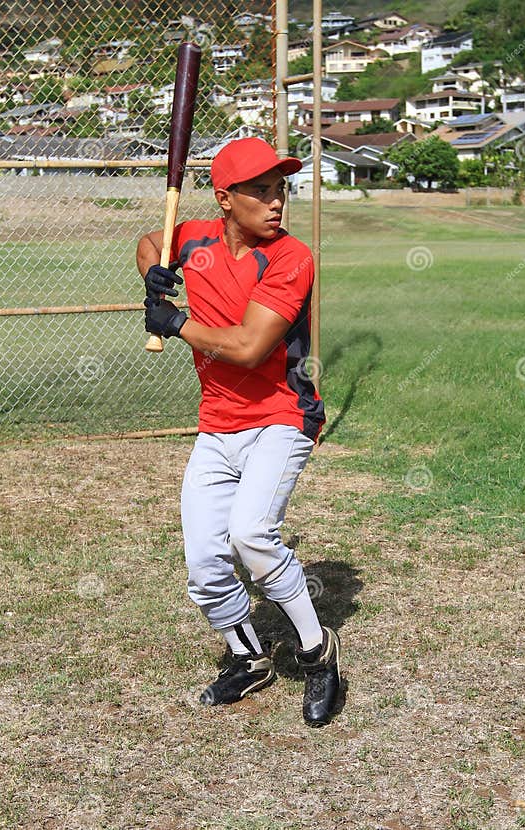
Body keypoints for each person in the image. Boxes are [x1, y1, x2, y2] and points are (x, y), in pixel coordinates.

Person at [136, 137, 341, 727]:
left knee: (251, 534)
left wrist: (174, 322)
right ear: (225, 199)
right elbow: (152, 241)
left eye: (281, 190)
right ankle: (249, 656)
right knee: (204, 561)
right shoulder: (196, 237)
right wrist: (154, 273)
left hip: (282, 414)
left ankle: (316, 650)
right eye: (260, 191)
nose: (276, 202)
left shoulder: (290, 257)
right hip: (218, 424)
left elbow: (250, 349)